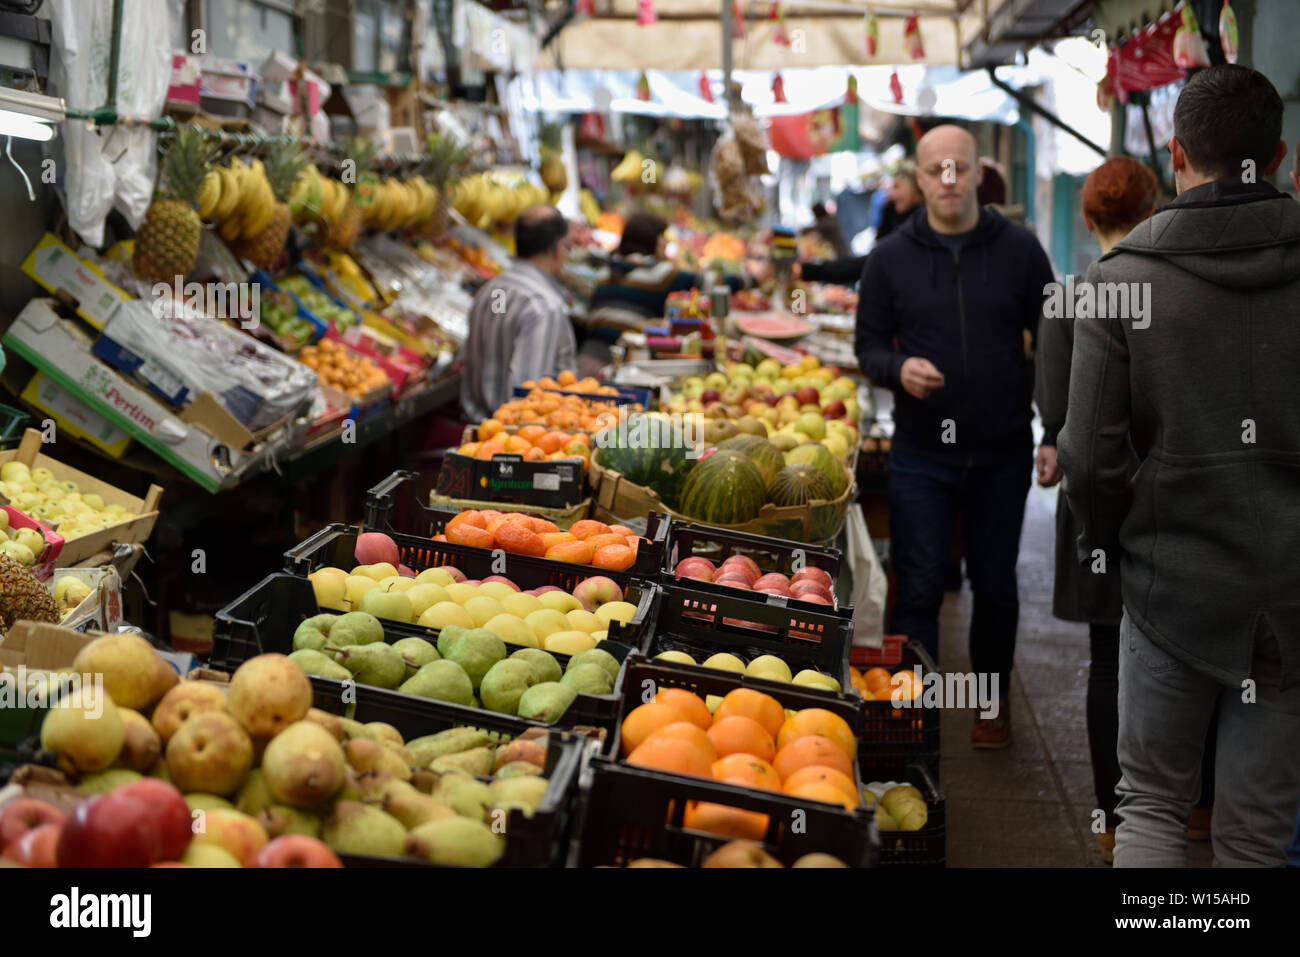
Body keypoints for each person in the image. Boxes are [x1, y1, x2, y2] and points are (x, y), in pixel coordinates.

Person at [1057, 64, 1300, 867]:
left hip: (1170, 587)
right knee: (1257, 834)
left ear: (1177, 155)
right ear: (1280, 155)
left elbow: (1089, 459)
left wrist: (1122, 539)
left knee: (1153, 808)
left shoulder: (1120, 283)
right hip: (1290, 599)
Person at [855, 125, 1055, 748]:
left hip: (1001, 451)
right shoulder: (889, 258)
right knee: (917, 586)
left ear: (978, 175)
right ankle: (917, 710)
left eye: (960, 168)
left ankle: (990, 706)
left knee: (995, 584)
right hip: (921, 455)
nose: (948, 180)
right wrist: (896, 369)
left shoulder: (1021, 251)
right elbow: (865, 347)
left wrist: (1056, 429)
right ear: (918, 179)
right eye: (935, 169)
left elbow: (1053, 344)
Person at [1034, 156, 1157, 863]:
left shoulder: (1066, 298)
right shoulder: (1167, 290)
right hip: (1168, 497)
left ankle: (1111, 817)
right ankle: (1193, 805)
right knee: (1182, 653)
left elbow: (1056, 413)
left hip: (1091, 503)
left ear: (1087, 218)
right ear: (1153, 212)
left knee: (1107, 657)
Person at [460, 205, 576, 423]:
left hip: (478, 427)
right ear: (557, 248)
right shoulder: (543, 307)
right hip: (510, 440)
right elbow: (528, 397)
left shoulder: (492, 290)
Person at [801, 160, 923, 286]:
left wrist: (808, 271)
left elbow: (874, 261)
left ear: (916, 187)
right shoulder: (894, 216)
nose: (891, 194)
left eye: (897, 187)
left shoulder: (915, 227)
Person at [586, 211, 697, 321]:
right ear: (651, 238)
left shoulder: (604, 272)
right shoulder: (659, 273)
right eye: (662, 236)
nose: (666, 242)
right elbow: (703, 282)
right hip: (626, 337)